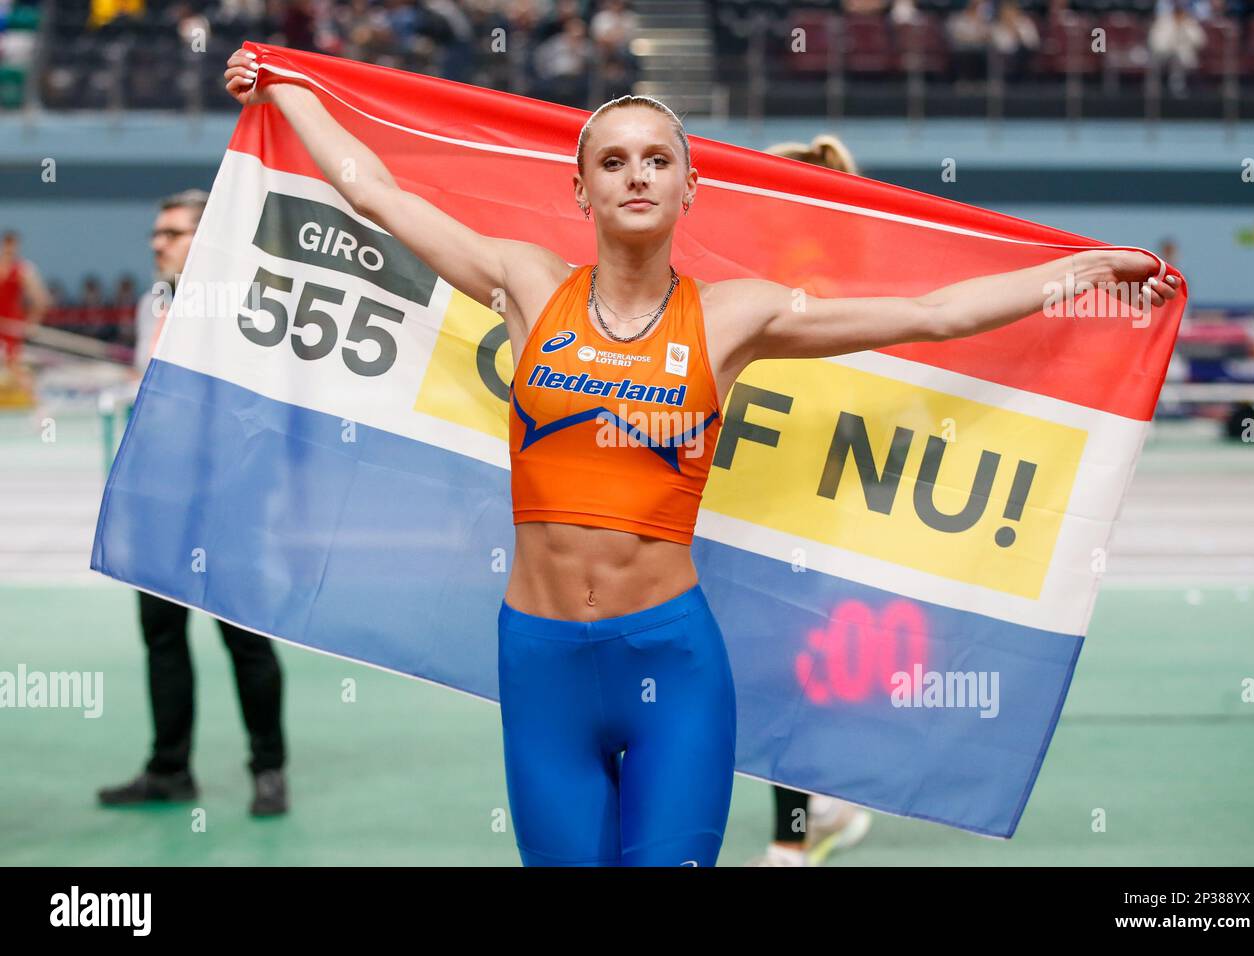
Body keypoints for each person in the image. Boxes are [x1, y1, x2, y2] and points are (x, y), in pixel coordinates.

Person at [225, 48, 1178, 865]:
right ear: (582, 186)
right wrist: (286, 86)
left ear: (690, 186)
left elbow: (933, 316)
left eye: (656, 159)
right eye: (613, 160)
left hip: (672, 665)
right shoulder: (523, 282)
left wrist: (1083, 272)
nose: (635, 175)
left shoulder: (734, 315)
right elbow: (373, 191)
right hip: (539, 659)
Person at [96, 189, 290, 818]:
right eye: (156, 233)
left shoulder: (246, 305)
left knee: (246, 639)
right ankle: (169, 768)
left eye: (172, 233)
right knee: (161, 634)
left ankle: (269, 769)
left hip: (227, 502)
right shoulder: (154, 303)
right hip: (159, 499)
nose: (157, 243)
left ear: (206, 237)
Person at [745, 132, 874, 867]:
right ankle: (812, 808)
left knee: (772, 668)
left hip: (794, 510)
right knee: (763, 667)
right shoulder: (758, 270)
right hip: (739, 497)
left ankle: (792, 834)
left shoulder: (818, 282)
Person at [0, 230, 50, 400]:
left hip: (12, 326)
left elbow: (41, 299)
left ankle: (39, 406)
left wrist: (33, 322)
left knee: (14, 366)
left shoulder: (23, 270)